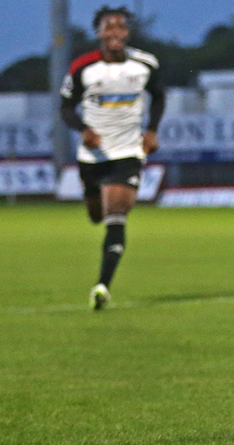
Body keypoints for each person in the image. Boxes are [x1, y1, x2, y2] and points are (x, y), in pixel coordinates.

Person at [60, 5, 164, 310]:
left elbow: (159, 95)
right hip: (92, 155)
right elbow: (65, 108)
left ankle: (102, 285)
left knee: (116, 214)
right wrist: (83, 129)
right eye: (109, 27)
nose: (115, 32)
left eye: (121, 27)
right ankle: (91, 194)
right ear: (99, 33)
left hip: (128, 152)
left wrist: (152, 131)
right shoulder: (83, 68)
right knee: (96, 214)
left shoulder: (146, 64)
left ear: (127, 32)